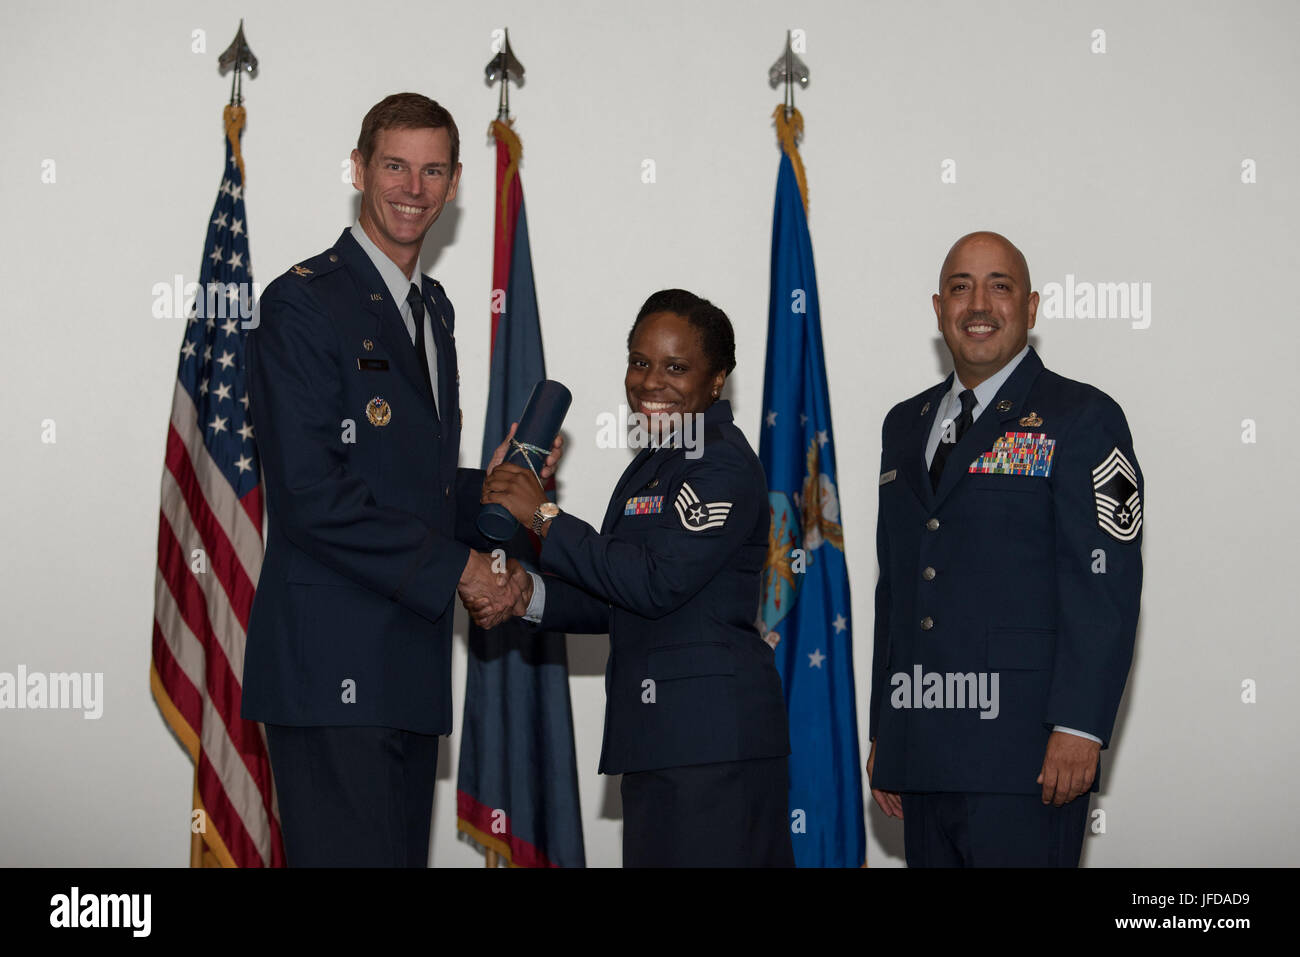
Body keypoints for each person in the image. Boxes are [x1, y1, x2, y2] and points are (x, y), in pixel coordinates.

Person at [241, 93, 556, 867]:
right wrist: (463, 569)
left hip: (407, 674)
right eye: (395, 166)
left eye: (433, 170)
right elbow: (313, 495)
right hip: (331, 672)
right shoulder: (302, 302)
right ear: (357, 169)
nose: (413, 188)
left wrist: (491, 492)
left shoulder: (434, 310)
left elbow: (400, 480)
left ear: (453, 187)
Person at [477, 289, 794, 867]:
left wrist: (544, 515)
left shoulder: (719, 461)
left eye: (676, 367)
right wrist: (528, 594)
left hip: (712, 748)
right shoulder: (653, 464)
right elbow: (619, 596)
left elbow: (655, 582)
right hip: (658, 743)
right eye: (640, 362)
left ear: (717, 379)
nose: (652, 382)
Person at [866, 231, 1143, 867]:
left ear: (1033, 307)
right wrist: (888, 727)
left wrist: (1080, 727)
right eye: (960, 287)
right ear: (939, 310)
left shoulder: (1082, 417)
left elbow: (1105, 583)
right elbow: (898, 589)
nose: (979, 303)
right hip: (924, 749)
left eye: (1000, 285)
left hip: (1028, 758)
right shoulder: (903, 426)